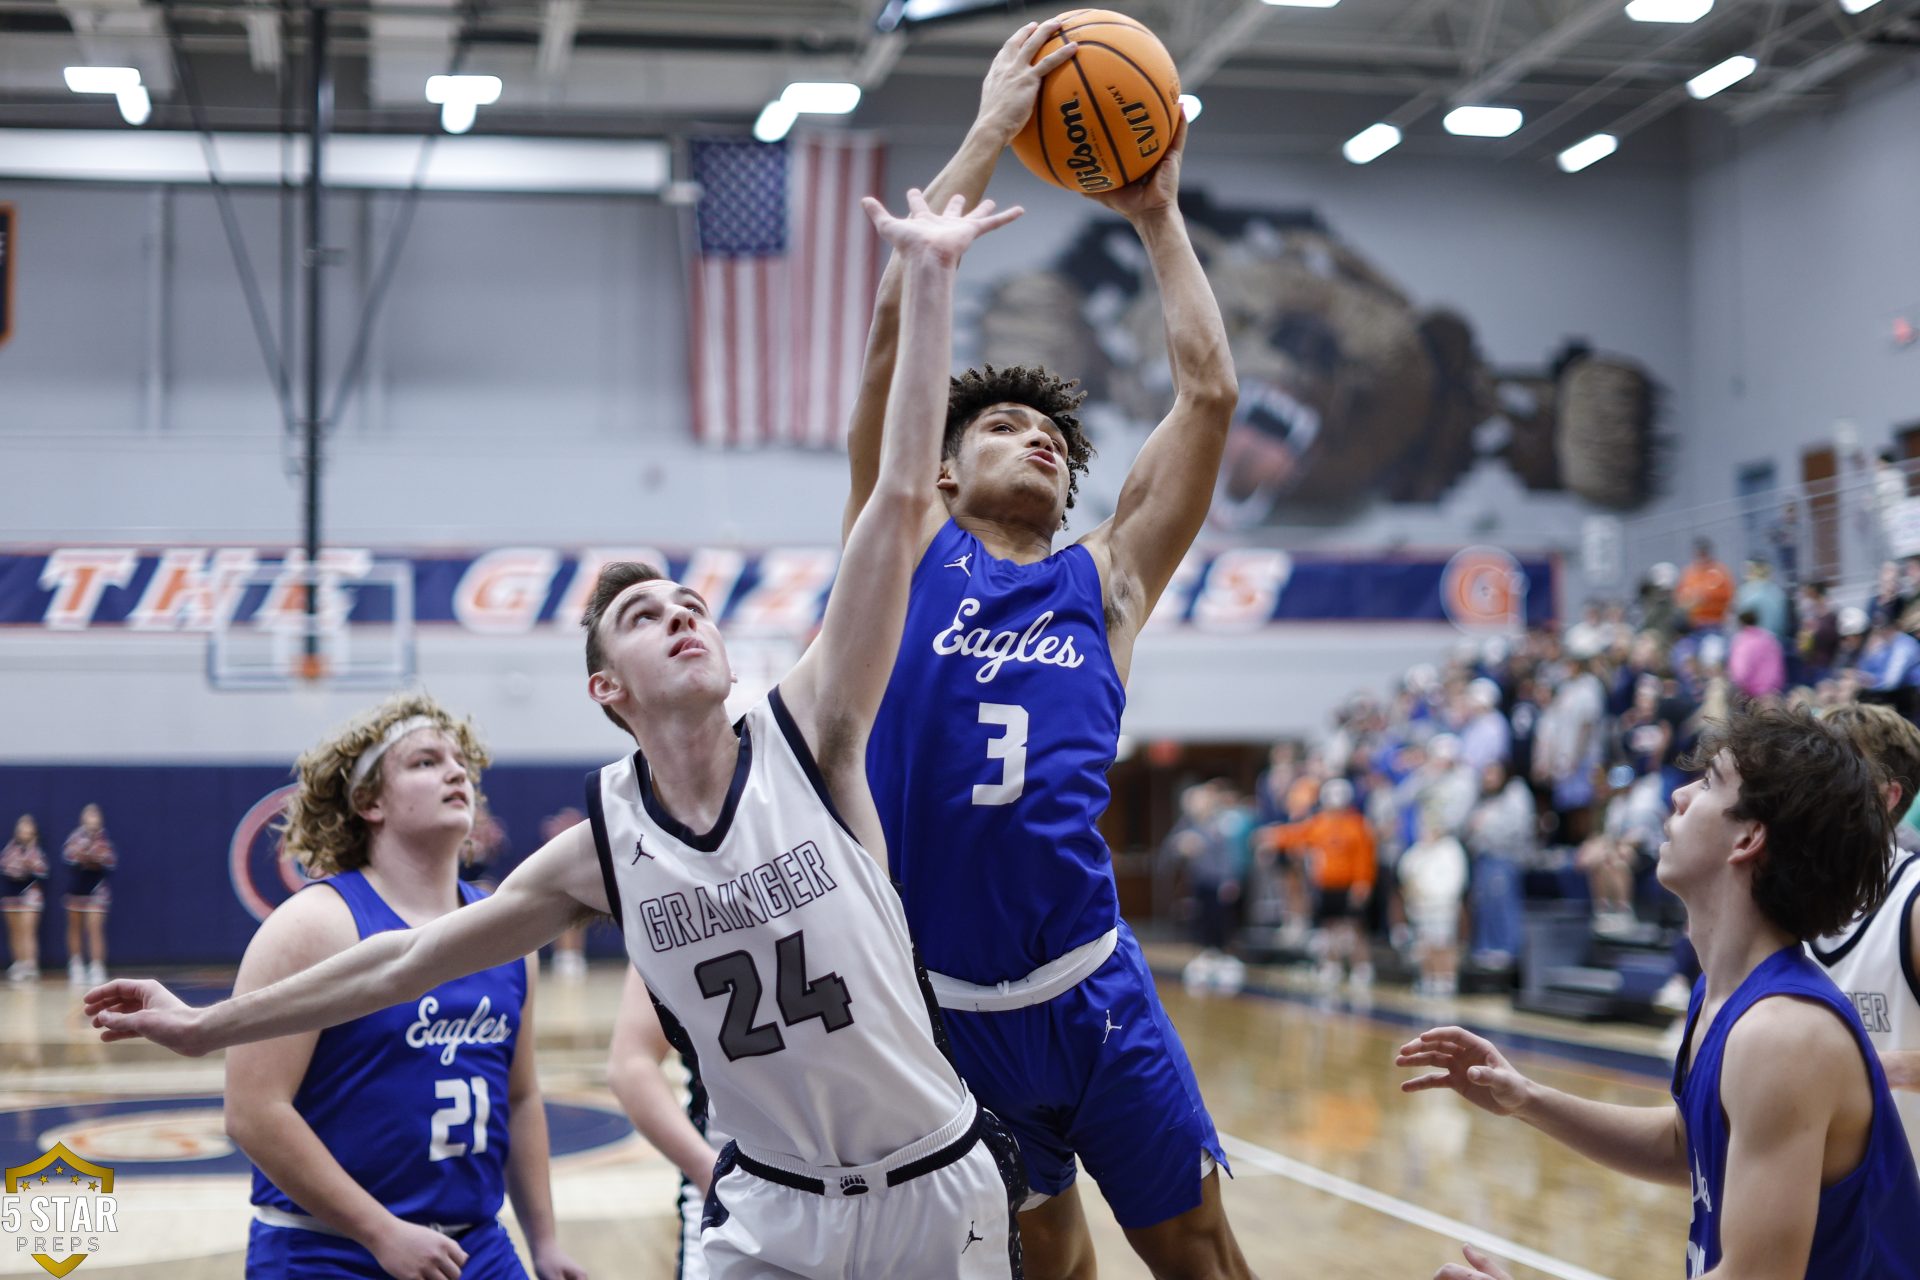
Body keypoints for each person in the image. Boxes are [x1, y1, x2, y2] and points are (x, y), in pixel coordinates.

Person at [87, 186, 1031, 1280]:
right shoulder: (604, 841)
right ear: (605, 689)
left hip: (929, 1182)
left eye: (691, 603)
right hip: (769, 1206)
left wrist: (930, 274)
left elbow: (903, 498)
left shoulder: (811, 727)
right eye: (643, 614)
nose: (680, 613)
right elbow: (403, 960)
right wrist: (212, 1026)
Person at [846, 23, 1249, 1277]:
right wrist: (984, 132)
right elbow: (883, 345)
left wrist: (1157, 215)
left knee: (1200, 1252)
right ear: (945, 463)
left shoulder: (1106, 580)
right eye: (1003, 425)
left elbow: (1211, 396)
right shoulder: (902, 547)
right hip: (946, 1008)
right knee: (1041, 1266)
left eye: (1051, 439)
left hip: (1094, 989)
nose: (1034, 440)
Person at [1402, 705, 1920, 1279]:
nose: (1678, 797)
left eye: (1709, 783)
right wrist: (1526, 1098)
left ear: (1748, 838)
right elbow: (1686, 1148)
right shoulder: (1723, 994)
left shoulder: (1784, 1035)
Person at [224, 694, 585, 1280]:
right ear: (369, 801)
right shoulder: (314, 923)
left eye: (458, 762)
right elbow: (253, 1112)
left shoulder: (504, 931)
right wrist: (380, 1231)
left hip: (475, 1250)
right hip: (329, 1250)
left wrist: (544, 1242)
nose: (453, 772)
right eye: (424, 762)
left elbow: (520, 1098)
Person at [1810, 703, 1920, 1147]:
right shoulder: (1785, 899)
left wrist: (1888, 1067)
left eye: (1836, 769)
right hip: (1818, 1201)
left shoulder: (1913, 902)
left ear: (1887, 796)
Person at [606, 967, 725, 1280]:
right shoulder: (668, 919)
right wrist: (707, 1170)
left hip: (856, 1179)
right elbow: (630, 1064)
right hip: (728, 1186)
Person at [1260, 777, 1376, 990]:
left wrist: (1362, 883)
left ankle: (1362, 967)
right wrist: (1272, 837)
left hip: (1348, 885)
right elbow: (1296, 834)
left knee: (1353, 928)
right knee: (1328, 927)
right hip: (1325, 884)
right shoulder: (1320, 823)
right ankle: (1332, 965)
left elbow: (1364, 859)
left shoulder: (1357, 826)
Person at [1397, 806, 1467, 998]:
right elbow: (1406, 871)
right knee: (1424, 944)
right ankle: (1428, 978)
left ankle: (1446, 980)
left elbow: (1455, 880)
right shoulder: (1418, 850)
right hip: (1420, 907)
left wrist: (1435, 895)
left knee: (1443, 944)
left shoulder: (1450, 849)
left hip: (1442, 906)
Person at [62, 802, 114, 986]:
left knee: (95, 928)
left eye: (95, 815)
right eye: (89, 815)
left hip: (97, 890)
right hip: (76, 888)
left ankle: (97, 966)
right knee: (75, 927)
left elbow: (109, 863)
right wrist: (83, 855)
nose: (92, 819)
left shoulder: (104, 840)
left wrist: (94, 858)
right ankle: (76, 965)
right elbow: (69, 859)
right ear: (83, 819)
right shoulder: (75, 838)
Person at [2, 814, 48, 983]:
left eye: (28, 829)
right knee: (15, 932)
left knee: (28, 930)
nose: (25, 832)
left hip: (30, 895)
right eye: (22, 828)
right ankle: (19, 963)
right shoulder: (10, 849)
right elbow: (7, 868)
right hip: (11, 895)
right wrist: (18, 867)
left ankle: (31, 965)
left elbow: (42, 871)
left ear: (34, 832)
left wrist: (26, 863)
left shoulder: (37, 851)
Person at [1674, 538, 1734, 633]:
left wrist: (1703, 598)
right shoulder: (1689, 573)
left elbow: (1728, 596)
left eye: (1703, 552)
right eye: (1698, 552)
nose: (1701, 555)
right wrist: (1689, 601)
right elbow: (1680, 599)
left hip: (1714, 624)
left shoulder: (1719, 571)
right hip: (1692, 625)